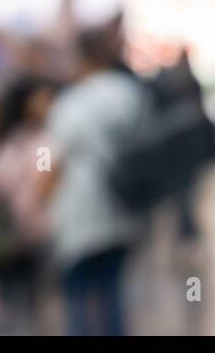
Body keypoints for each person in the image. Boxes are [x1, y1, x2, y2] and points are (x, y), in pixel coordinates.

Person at [43, 28, 148, 335]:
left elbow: (50, 160)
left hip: (80, 210)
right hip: (125, 202)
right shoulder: (130, 94)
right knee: (112, 288)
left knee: (78, 292)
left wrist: (38, 197)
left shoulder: (72, 103)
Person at [0, 74, 56, 333]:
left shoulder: (2, 144)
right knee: (27, 304)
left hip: (5, 233)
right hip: (28, 233)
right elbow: (43, 183)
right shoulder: (40, 143)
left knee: (9, 300)